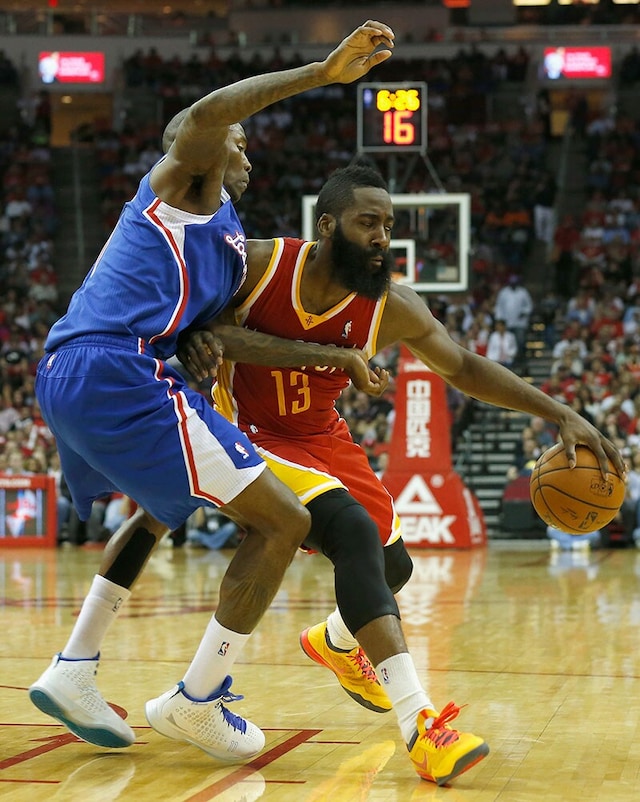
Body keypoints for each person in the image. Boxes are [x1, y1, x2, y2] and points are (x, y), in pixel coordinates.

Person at [180, 163, 626, 785]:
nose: (382, 237)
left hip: (321, 435)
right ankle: (421, 725)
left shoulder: (389, 305)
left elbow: (463, 367)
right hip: (247, 431)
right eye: (368, 222)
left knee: (395, 566)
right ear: (326, 225)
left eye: (388, 225)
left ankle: (335, 642)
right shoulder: (258, 266)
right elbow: (195, 325)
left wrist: (559, 412)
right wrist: (195, 343)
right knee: (354, 533)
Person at [28, 21, 396, 763]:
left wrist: (202, 337)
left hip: (79, 370)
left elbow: (216, 330)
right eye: (238, 142)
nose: (246, 152)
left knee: (163, 507)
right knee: (284, 522)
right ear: (203, 150)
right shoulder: (183, 184)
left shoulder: (223, 236)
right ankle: (199, 699)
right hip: (116, 368)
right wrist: (321, 74)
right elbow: (205, 116)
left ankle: (74, 667)